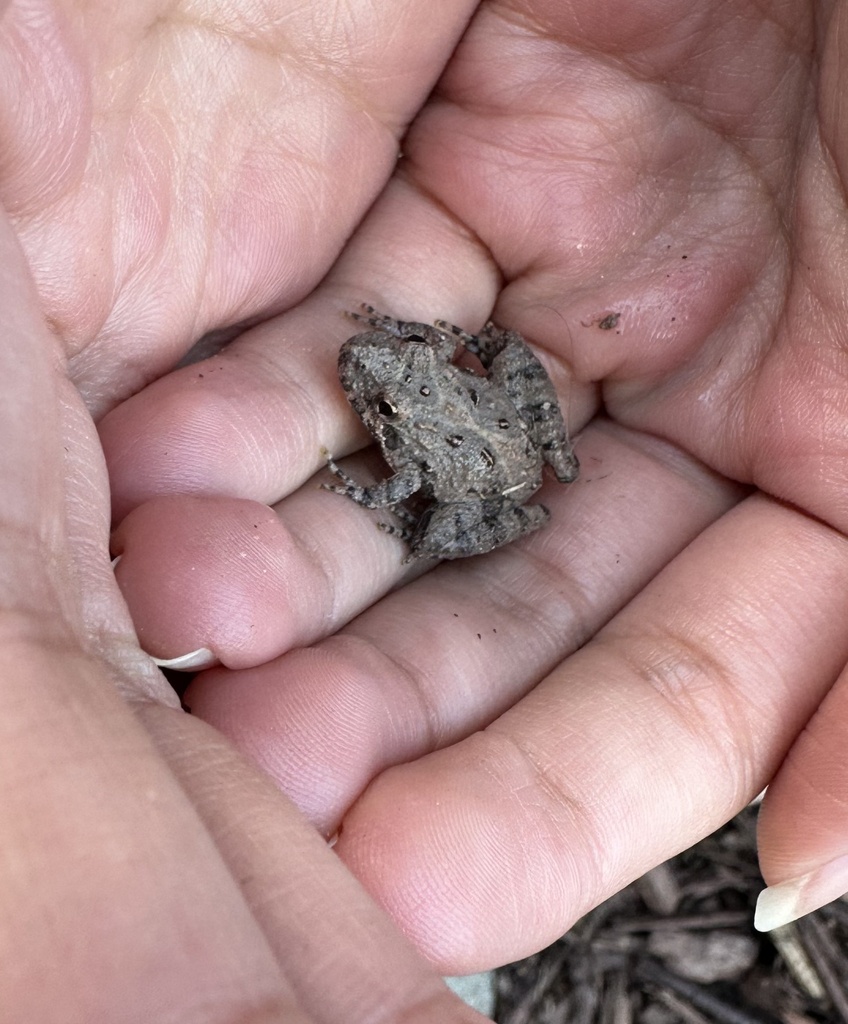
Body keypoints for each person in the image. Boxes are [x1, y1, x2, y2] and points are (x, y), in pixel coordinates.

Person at [3, 0, 847, 1018]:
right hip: (511, 433)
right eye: (381, 376)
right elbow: (408, 365)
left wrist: (369, 487)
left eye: (380, 390)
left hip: (494, 488)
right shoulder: (395, 366)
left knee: (424, 519)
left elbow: (410, 479)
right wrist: (423, 351)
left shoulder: (402, 435)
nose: (364, 377)